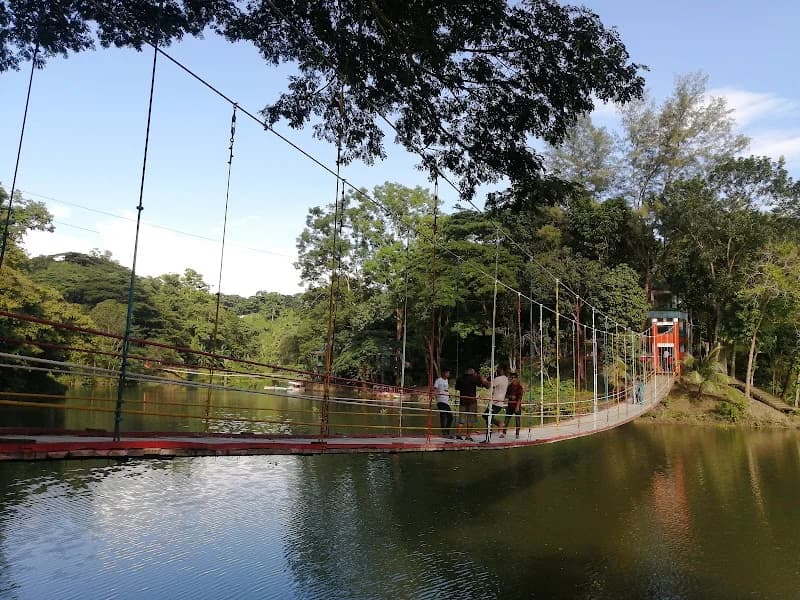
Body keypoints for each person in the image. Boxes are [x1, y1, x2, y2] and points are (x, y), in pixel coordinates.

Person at [454, 367, 488, 441]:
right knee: (471, 419)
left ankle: (458, 434)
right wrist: (479, 376)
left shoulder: (460, 378)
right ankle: (468, 436)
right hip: (471, 401)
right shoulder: (473, 378)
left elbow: (456, 387)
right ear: (472, 372)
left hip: (463, 400)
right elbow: (482, 384)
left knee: (461, 419)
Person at [482, 366, 509, 441]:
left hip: (495, 403)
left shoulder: (499, 379)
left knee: (487, 418)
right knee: (486, 416)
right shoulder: (505, 379)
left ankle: (488, 438)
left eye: (499, 369)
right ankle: (498, 424)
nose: (497, 370)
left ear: (502, 370)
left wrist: (483, 380)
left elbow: (488, 386)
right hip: (498, 402)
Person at [502, 371, 524, 439]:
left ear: (516, 378)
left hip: (516, 405)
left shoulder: (519, 387)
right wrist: (510, 397)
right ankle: (503, 433)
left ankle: (517, 434)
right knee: (506, 419)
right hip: (510, 405)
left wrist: (517, 406)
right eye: (511, 377)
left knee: (517, 420)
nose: (513, 378)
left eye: (514, 377)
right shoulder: (509, 386)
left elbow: (520, 398)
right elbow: (506, 395)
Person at [433, 369, 453, 438]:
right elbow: (435, 389)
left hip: (446, 401)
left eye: (449, 373)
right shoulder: (438, 380)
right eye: (447, 373)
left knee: (450, 417)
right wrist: (435, 396)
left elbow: (446, 389)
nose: (448, 374)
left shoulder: (446, 380)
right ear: (443, 373)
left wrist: (449, 395)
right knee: (443, 416)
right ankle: (444, 432)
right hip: (441, 400)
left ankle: (447, 431)